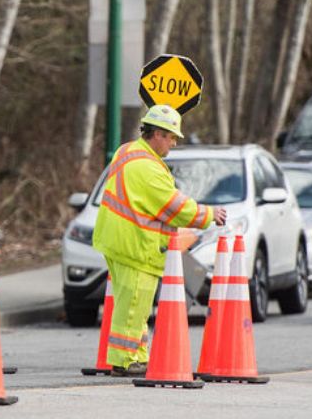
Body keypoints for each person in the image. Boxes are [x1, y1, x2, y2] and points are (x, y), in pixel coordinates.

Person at [92, 104, 226, 377]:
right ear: (158, 134)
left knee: (133, 305)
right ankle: (126, 360)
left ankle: (136, 356)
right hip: (136, 246)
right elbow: (175, 207)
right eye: (172, 137)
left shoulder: (128, 151)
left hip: (117, 240)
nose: (174, 143)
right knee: (133, 307)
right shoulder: (147, 168)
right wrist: (210, 214)